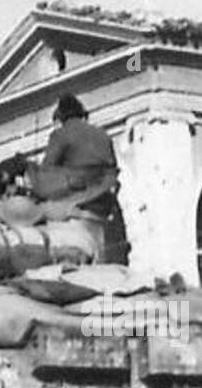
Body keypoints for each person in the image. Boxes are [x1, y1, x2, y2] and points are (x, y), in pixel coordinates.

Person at [28, 93, 129, 264]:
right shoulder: (103, 135)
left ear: (60, 117)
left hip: (75, 205)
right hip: (105, 208)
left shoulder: (60, 135)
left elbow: (46, 174)